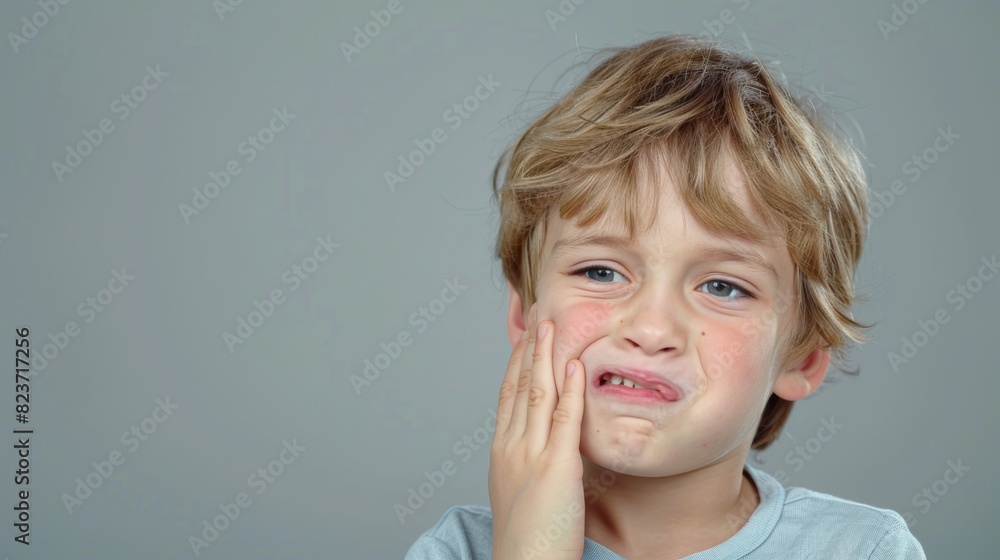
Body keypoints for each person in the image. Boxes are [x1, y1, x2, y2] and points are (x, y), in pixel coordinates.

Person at [404, 34, 925, 559]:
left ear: (803, 356)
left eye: (722, 287)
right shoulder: (459, 551)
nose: (651, 330)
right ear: (526, 316)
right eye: (602, 272)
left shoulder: (862, 550)